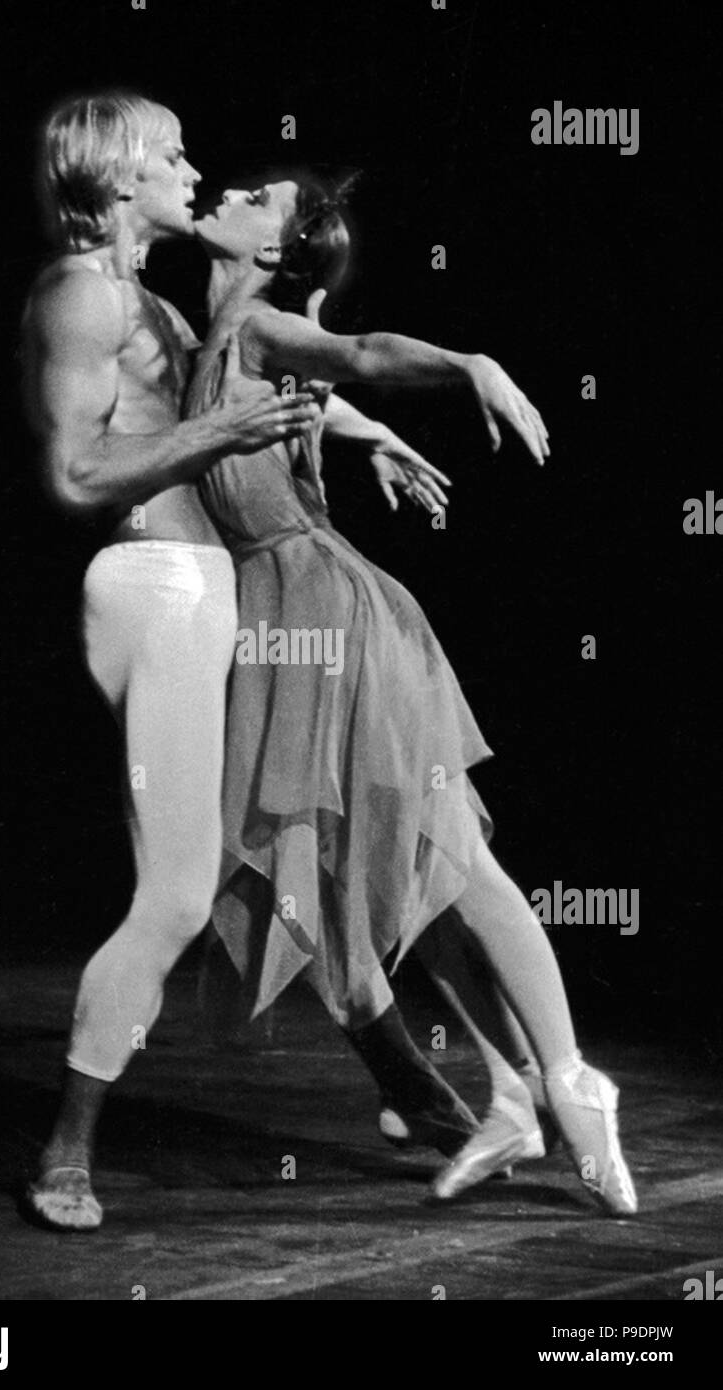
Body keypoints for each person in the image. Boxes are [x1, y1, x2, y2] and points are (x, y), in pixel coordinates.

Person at [19, 92, 482, 1231]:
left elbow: (262, 389)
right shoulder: (82, 293)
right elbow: (77, 475)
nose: (192, 170)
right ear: (119, 179)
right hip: (155, 588)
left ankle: (403, 1081)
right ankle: (62, 1156)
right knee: (180, 892)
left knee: (273, 854)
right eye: (171, 157)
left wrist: (364, 432)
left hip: (212, 597)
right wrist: (221, 435)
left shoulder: (161, 311)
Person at [186, 176, 637, 1216]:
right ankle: (513, 1094)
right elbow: (324, 392)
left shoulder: (257, 325)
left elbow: (358, 354)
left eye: (257, 195)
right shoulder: (215, 338)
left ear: (276, 249)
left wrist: (465, 365)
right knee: (398, 886)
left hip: (333, 618)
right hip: (280, 624)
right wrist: (366, 437)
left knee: (453, 861)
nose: (229, 189)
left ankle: (575, 1078)